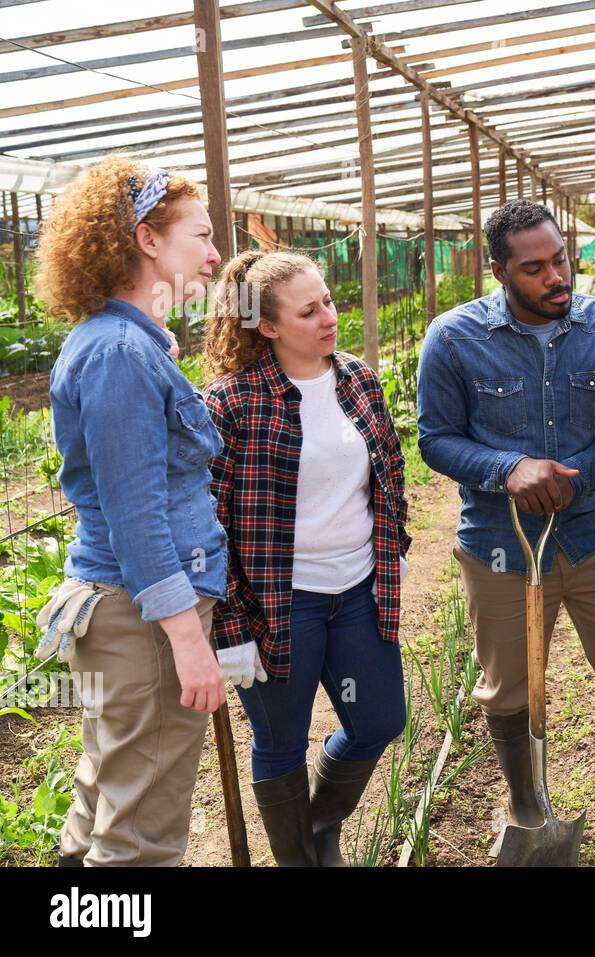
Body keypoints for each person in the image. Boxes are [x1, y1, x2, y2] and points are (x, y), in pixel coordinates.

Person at [417, 200, 595, 859]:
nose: (555, 276)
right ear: (499, 271)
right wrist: (509, 467)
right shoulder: (453, 339)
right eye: (534, 268)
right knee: (507, 683)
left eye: (561, 259)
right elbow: (435, 439)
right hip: (501, 546)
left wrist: (582, 474)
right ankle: (526, 800)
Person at [35, 157, 227, 866]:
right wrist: (186, 640)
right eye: (200, 235)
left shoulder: (122, 341)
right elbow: (137, 513)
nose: (214, 255)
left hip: (117, 609)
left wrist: (156, 341)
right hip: (143, 619)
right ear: (148, 239)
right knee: (138, 837)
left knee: (104, 795)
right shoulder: (119, 352)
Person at [204, 250, 411, 866]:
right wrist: (232, 627)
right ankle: (300, 858)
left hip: (356, 591)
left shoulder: (357, 379)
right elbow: (208, 525)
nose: (329, 317)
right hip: (278, 604)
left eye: (328, 300)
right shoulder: (231, 405)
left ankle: (318, 824)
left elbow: (391, 476)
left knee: (378, 721)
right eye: (309, 310)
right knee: (280, 741)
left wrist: (389, 554)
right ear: (268, 327)